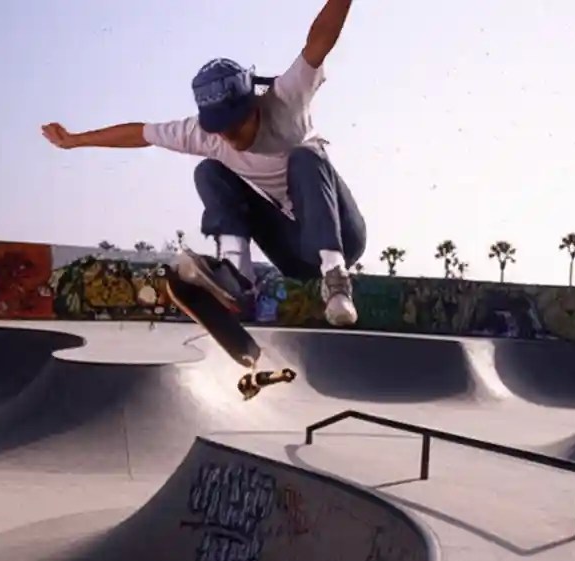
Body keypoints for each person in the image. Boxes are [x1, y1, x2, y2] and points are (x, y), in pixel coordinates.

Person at [40, 0, 364, 326]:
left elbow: (319, 40)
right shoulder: (204, 135)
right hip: (293, 254)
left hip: (343, 236)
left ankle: (337, 280)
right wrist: (76, 140)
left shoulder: (286, 98)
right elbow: (140, 133)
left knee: (306, 156)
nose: (230, 137)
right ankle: (237, 276)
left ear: (253, 105)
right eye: (221, 129)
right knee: (209, 170)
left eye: (237, 125)